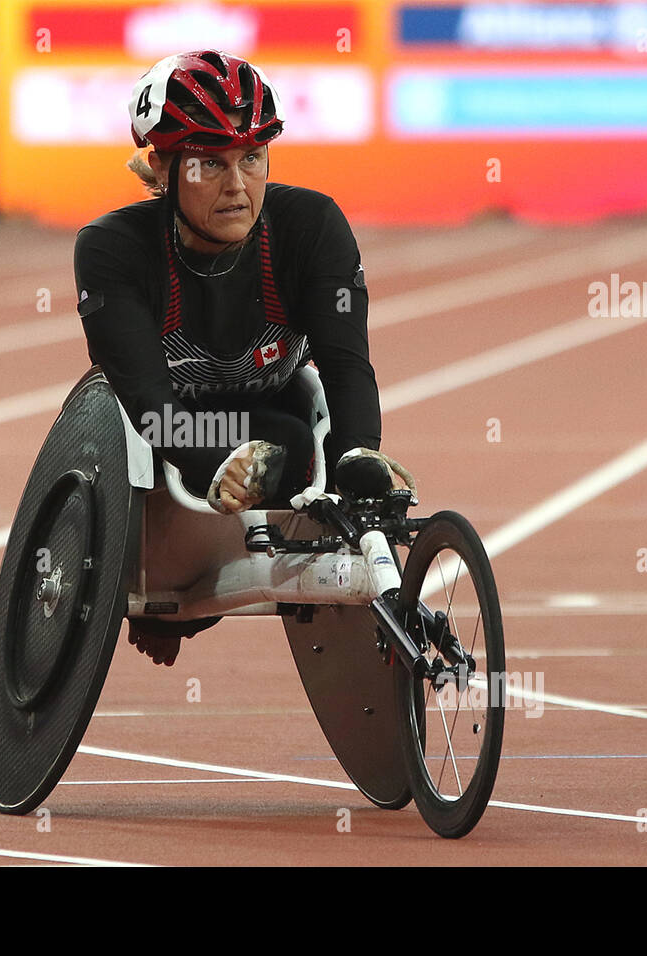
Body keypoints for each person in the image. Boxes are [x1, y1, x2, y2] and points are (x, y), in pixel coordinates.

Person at [74, 51, 410, 665]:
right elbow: (147, 402)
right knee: (268, 447)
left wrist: (360, 457)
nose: (237, 186)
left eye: (252, 159)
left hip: (275, 413)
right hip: (162, 433)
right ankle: (181, 582)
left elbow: (346, 366)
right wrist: (213, 458)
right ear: (161, 168)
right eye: (209, 164)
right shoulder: (113, 250)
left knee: (293, 443)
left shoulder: (311, 227)